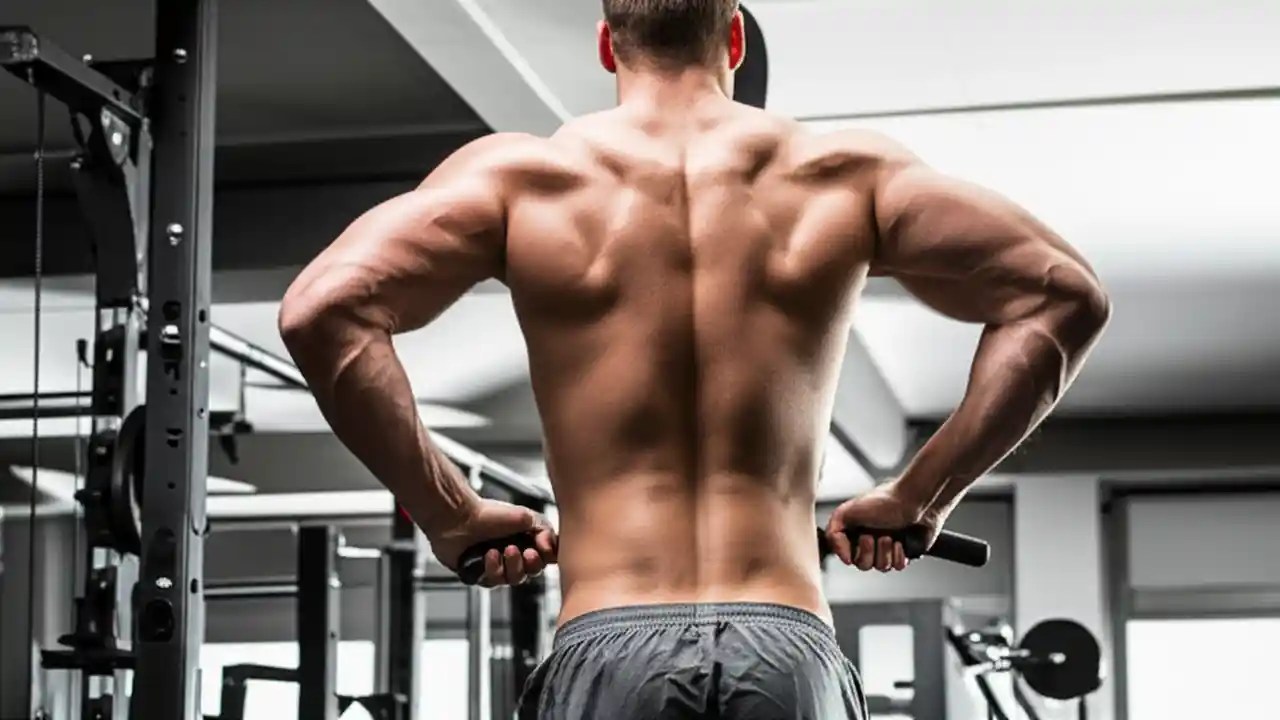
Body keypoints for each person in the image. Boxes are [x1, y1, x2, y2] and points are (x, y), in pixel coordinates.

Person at [278, 1, 1111, 717]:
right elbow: (1064, 296)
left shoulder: (522, 179)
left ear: (607, 45)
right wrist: (919, 497)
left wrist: (451, 515)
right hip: (786, 647)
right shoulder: (845, 175)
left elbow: (322, 313)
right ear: (735, 39)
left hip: (609, 640)